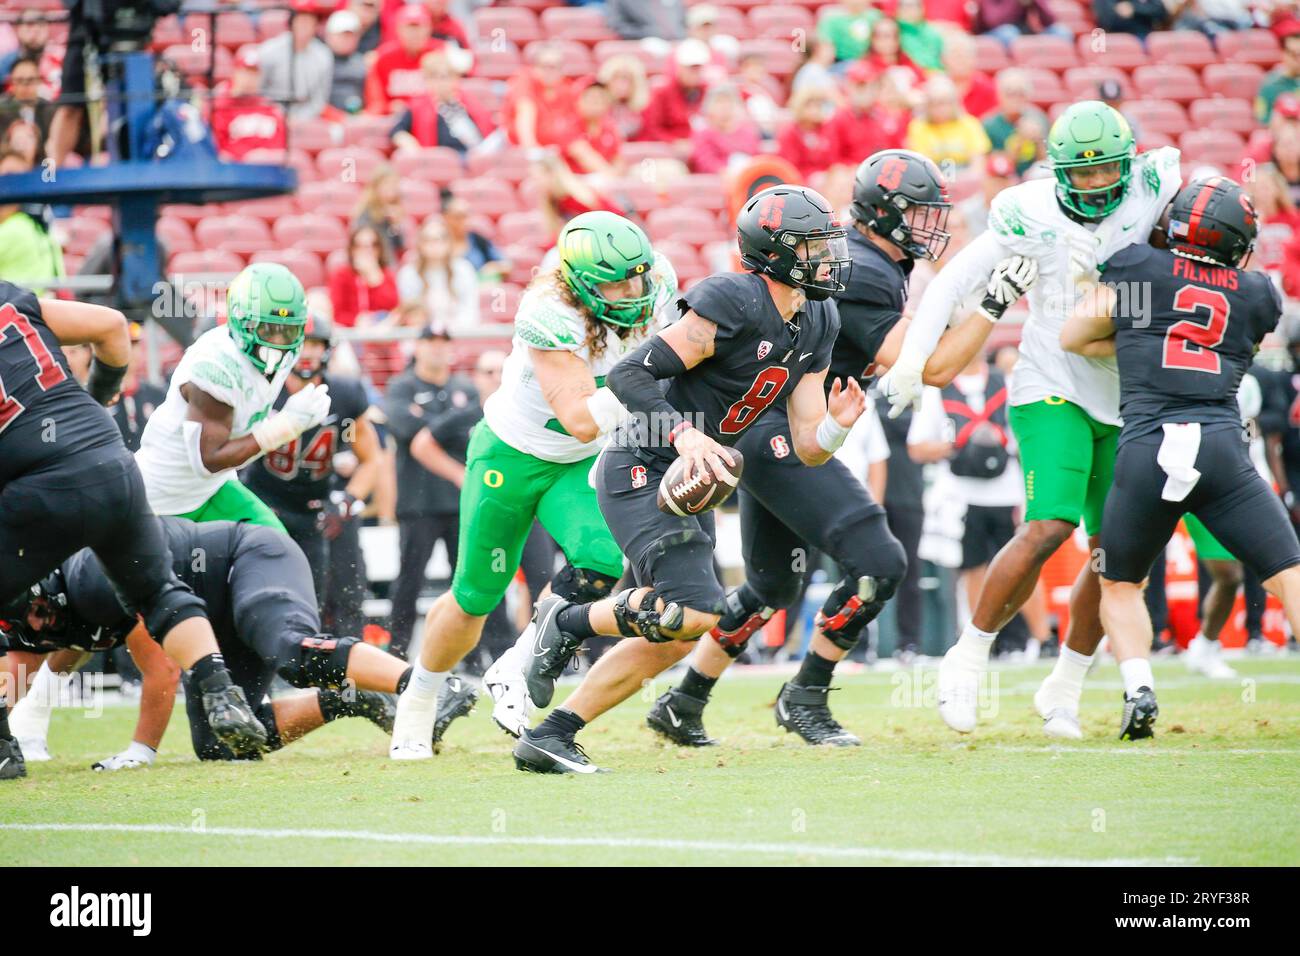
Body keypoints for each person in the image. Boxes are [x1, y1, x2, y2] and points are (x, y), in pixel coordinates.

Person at [503, 187, 870, 773]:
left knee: (676, 634)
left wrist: (836, 430)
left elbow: (808, 445)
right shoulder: (732, 299)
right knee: (701, 612)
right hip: (642, 461)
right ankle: (565, 620)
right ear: (776, 253)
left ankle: (551, 733)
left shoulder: (820, 316)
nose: (828, 256)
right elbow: (629, 375)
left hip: (689, 472)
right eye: (813, 245)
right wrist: (687, 435)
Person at [878, 101, 1183, 739]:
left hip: (1129, 396)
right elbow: (953, 280)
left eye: (1107, 172)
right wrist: (910, 360)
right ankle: (968, 656)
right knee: (1049, 524)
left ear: (1127, 167)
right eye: (1085, 172)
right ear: (1060, 170)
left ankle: (1064, 685)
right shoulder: (1031, 212)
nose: (1097, 184)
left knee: (1113, 556)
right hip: (1050, 383)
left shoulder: (1157, 188)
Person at [387, 213, 675, 758]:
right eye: (614, 282)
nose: (631, 291)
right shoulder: (549, 310)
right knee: (476, 595)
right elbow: (581, 418)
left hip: (579, 464)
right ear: (581, 282)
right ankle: (419, 694)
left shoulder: (658, 280)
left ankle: (516, 666)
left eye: (634, 277)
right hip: (513, 453)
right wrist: (649, 378)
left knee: (602, 559)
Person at [1059, 176, 1300, 738]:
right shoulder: (1258, 293)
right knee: (1287, 573)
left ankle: (1139, 686)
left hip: (1147, 445)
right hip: (1219, 446)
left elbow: (1074, 335)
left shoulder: (1140, 268)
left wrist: (1136, 344)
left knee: (1120, 583)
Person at [0, 282, 269, 778]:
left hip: (41, 485)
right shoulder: (10, 299)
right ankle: (218, 687)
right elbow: (110, 326)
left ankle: (3, 744)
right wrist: (96, 401)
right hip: (111, 460)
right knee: (159, 591)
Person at [3, 517, 477, 767]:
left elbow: (162, 669)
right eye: (28, 617)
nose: (39, 624)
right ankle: (349, 699)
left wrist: (140, 752)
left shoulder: (92, 581)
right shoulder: (32, 617)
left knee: (292, 653)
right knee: (221, 744)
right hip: (212, 618)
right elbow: (20, 673)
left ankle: (431, 685)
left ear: (52, 587)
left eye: (41, 610)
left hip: (244, 563)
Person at [136, 263, 324, 531]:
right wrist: (285, 426)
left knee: (276, 549)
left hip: (210, 490)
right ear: (242, 320)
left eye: (288, 331)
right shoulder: (217, 364)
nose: (279, 342)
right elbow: (208, 460)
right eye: (269, 329)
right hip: (161, 499)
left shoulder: (285, 357)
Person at [242, 315, 382, 610]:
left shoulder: (343, 395)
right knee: (259, 592)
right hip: (264, 501)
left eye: (315, 344)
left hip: (315, 508)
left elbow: (371, 460)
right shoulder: (262, 391)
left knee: (321, 598)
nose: (308, 353)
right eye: (302, 343)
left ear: (327, 349)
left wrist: (346, 500)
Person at [382, 323, 477, 658]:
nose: (437, 348)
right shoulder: (401, 386)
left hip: (460, 501)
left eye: (443, 342)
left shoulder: (465, 386)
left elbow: (475, 431)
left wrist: (433, 425)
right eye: (430, 341)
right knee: (409, 581)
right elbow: (404, 427)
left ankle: (474, 655)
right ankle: (395, 654)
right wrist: (453, 421)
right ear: (417, 347)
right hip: (417, 503)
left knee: (467, 581)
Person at [390, 49, 492, 155]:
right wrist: (411, 145)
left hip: (474, 155)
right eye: (434, 78)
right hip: (439, 161)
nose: (440, 83)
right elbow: (397, 131)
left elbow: (487, 129)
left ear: (455, 79)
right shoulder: (418, 105)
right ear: (427, 81)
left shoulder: (469, 102)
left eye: (445, 77)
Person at [396, 217, 479, 329]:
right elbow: (411, 315)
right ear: (420, 244)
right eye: (428, 239)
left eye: (440, 239)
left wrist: (450, 331)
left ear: (449, 242)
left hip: (458, 334)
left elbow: (470, 311)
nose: (434, 245)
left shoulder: (463, 269)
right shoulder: (408, 274)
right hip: (422, 338)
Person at [0, 148, 63, 294]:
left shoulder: (19, 227)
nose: (11, 185)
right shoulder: (40, 225)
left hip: (26, 311)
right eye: (6, 177)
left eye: (18, 178)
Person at [258, 0, 334, 121]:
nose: (304, 26)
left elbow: (319, 100)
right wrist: (275, 114)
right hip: (271, 113)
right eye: (300, 20)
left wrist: (301, 119)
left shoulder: (323, 55)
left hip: (306, 116)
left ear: (315, 25)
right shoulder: (269, 50)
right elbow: (259, 91)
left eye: (309, 21)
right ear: (291, 22)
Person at [211, 50, 287, 161]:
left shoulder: (269, 107)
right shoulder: (221, 106)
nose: (250, 79)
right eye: (246, 72)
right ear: (235, 73)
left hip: (271, 169)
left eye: (254, 74)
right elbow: (217, 149)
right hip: (239, 171)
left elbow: (282, 143)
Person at [905, 76, 992, 173]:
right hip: (933, 177)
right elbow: (922, 166)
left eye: (945, 102)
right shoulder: (918, 126)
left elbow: (978, 165)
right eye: (935, 103)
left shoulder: (969, 124)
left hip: (966, 178)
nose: (941, 108)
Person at [365, 2, 440, 115]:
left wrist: (414, 107)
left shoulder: (439, 54)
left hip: (432, 116)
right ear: (399, 29)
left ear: (429, 29)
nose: (415, 34)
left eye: (419, 27)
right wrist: (389, 107)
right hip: (394, 120)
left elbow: (449, 95)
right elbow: (375, 102)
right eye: (410, 28)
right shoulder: (383, 57)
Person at [502, 42, 576, 150]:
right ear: (535, 67)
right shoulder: (524, 80)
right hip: (513, 146)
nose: (550, 71)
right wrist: (531, 148)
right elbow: (525, 110)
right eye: (545, 66)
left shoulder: (565, 88)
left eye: (555, 67)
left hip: (549, 149)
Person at [636, 38, 711, 144]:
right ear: (679, 67)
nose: (694, 73)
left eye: (698, 68)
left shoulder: (707, 91)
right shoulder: (661, 92)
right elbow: (651, 128)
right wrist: (673, 141)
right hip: (665, 149)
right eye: (690, 68)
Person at [328, 224, 400, 330]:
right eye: (359, 245)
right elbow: (337, 313)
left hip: (382, 333)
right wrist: (355, 320)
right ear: (352, 249)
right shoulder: (341, 275)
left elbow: (393, 308)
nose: (368, 250)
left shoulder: (387, 275)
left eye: (373, 245)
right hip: (351, 334)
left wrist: (374, 278)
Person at [109, 322, 167, 454]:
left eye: (135, 345)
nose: (132, 351)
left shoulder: (157, 393)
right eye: (126, 344)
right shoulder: (104, 397)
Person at [689, 83, 761, 175]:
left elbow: (756, 158)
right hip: (716, 183)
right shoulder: (703, 133)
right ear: (709, 107)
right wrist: (726, 172)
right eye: (719, 102)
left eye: (729, 102)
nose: (725, 107)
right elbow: (705, 163)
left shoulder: (748, 131)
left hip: (747, 179)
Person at [776, 86, 840, 180]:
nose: (814, 110)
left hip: (826, 175)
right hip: (800, 178)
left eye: (818, 106)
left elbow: (833, 158)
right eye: (809, 106)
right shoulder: (789, 132)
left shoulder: (826, 129)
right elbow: (790, 166)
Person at [442, 190, 508, 278]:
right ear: (446, 218)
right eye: (458, 217)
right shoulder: (438, 241)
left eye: (467, 215)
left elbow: (506, 265)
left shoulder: (479, 240)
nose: (464, 221)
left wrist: (493, 267)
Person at [353, 165, 409, 262]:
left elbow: (399, 247)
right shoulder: (366, 212)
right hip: (372, 262)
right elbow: (364, 242)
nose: (391, 188)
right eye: (386, 184)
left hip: (389, 263)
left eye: (394, 184)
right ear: (376, 187)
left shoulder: (396, 209)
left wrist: (395, 225)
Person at [325, 8, 368, 115]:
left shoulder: (363, 63)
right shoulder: (319, 61)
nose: (347, 40)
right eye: (342, 35)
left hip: (358, 118)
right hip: (325, 120)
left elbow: (373, 98)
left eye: (351, 36)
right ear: (329, 36)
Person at [1259, 25, 1300, 124]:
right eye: (1294, 54)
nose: (1298, 59)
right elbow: (1262, 117)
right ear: (1284, 53)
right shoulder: (1271, 83)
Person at [605, 0, 686, 41]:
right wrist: (647, 35)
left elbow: (682, 21)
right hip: (641, 43)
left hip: (678, 42)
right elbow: (616, 26)